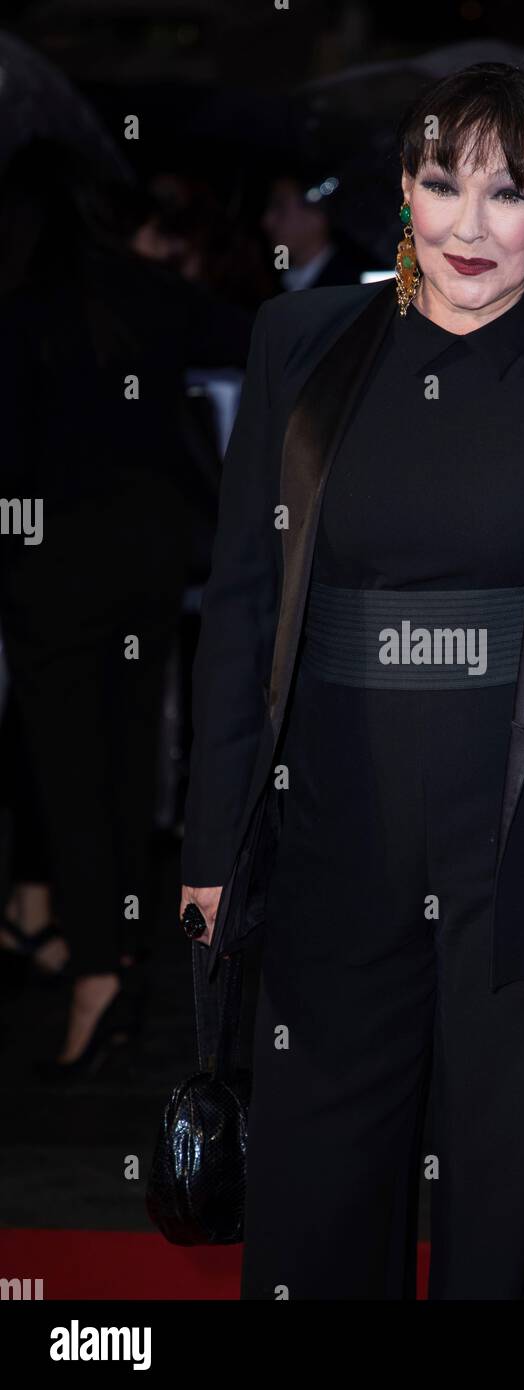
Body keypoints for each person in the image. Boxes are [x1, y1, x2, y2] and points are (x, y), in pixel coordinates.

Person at [179, 62, 524, 1300]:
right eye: (441, 183)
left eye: (507, 192)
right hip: (335, 834)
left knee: (520, 1205)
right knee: (318, 1192)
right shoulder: (304, 343)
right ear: (400, 190)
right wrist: (214, 844)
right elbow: (242, 609)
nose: (468, 225)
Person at [0, 139, 253, 1078]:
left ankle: (100, 972)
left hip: (51, 570)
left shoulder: (19, 312)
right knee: (132, 762)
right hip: (147, 562)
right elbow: (250, 337)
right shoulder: (146, 292)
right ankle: (137, 954)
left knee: (72, 780)